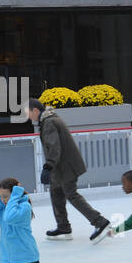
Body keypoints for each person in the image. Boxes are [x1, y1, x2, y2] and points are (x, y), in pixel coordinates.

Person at [27, 97, 112, 243]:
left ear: (35, 110)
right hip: (60, 167)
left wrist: (48, 166)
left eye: (27, 113)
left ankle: (101, 222)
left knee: (71, 195)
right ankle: (63, 227)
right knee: (56, 193)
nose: (28, 117)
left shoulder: (49, 122)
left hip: (66, 166)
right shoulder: (49, 119)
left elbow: (54, 147)